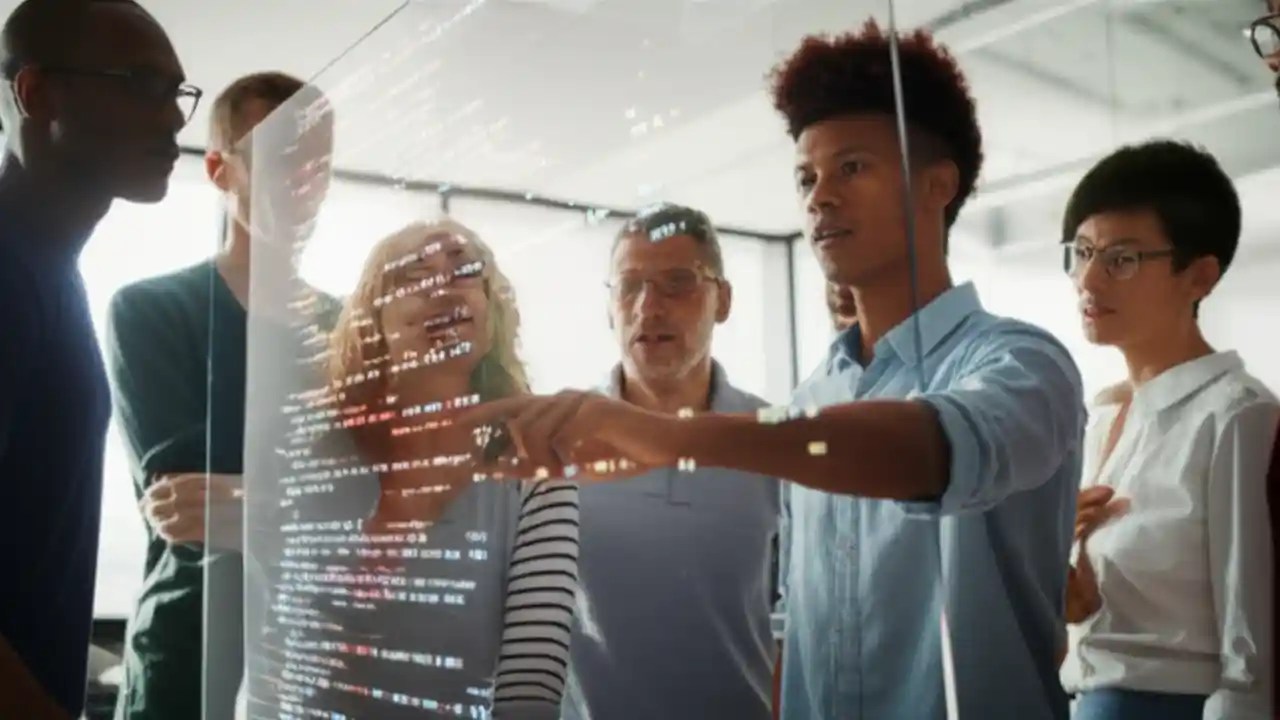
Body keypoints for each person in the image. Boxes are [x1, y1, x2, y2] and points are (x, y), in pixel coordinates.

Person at [466, 21, 1085, 720]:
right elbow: (799, 625)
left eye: (852, 168)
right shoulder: (815, 395)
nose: (820, 197)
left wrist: (667, 436)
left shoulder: (1024, 363)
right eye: (806, 177)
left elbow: (929, 446)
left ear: (937, 185)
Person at [273, 219, 578, 719]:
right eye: (415, 276)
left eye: (464, 273)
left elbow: (533, 676)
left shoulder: (536, 467)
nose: (442, 288)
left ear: (489, 311)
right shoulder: (314, 455)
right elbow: (281, 643)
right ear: (374, 317)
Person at [104, 72, 330, 720]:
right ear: (218, 169)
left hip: (317, 659)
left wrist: (251, 498)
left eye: (319, 160)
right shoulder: (152, 310)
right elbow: (188, 508)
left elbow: (392, 507)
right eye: (283, 156)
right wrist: (334, 503)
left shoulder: (351, 328)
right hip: (187, 662)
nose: (306, 178)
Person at [0, 1, 189, 716]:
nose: (174, 117)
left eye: (177, 92)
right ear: (36, 92)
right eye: (142, 83)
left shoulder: (47, 273)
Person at [1055, 142, 1278, 718]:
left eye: (1122, 259)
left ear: (1199, 275)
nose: (1090, 279)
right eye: (1082, 252)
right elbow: (1095, 612)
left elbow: (1248, 636)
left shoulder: (1236, 413)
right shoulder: (1101, 416)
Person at [563, 203, 778, 720]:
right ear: (608, 305)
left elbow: (808, 621)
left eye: (677, 282)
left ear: (722, 299)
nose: (648, 307)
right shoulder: (560, 438)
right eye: (630, 285)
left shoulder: (772, 439)